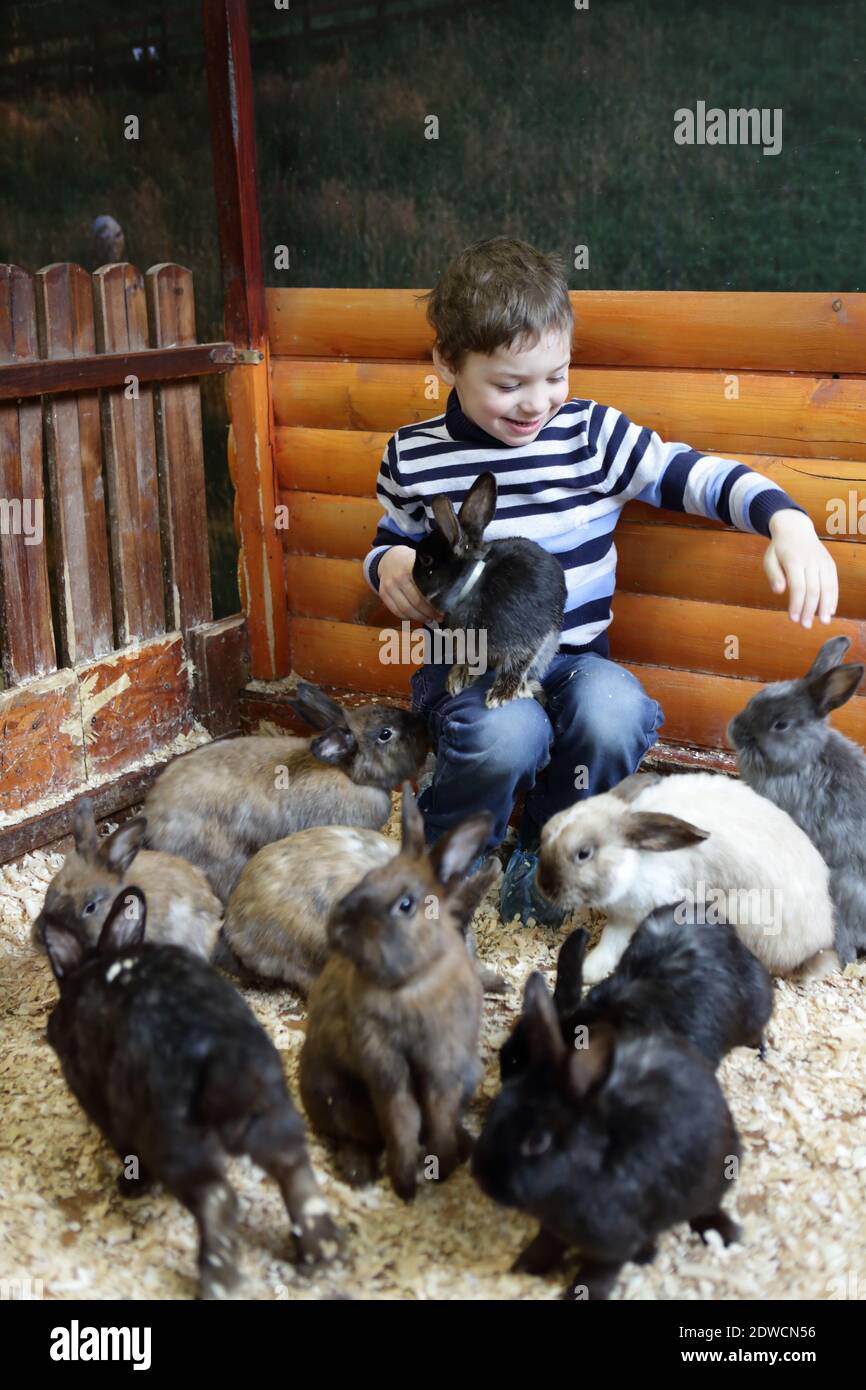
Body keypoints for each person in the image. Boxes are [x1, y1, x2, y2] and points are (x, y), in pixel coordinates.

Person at [362, 237, 839, 927]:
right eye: (508, 383)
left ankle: (549, 845)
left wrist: (786, 521)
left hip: (576, 657)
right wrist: (392, 567)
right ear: (446, 362)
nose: (537, 402)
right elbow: (391, 538)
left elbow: (693, 476)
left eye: (555, 375)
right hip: (466, 660)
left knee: (612, 711)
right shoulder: (414, 453)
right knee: (506, 735)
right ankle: (447, 860)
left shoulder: (590, 435)